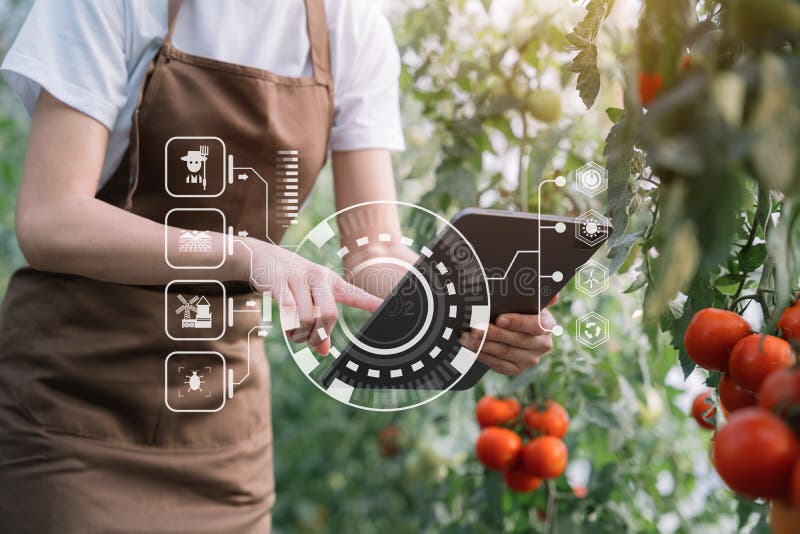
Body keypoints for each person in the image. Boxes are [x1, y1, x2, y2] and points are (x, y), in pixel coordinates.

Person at [0, 0, 557, 531]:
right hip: (72, 409)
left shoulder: (350, 27)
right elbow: (50, 219)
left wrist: (447, 305)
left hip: (219, 426)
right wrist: (248, 254)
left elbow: (369, 250)